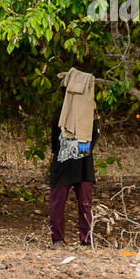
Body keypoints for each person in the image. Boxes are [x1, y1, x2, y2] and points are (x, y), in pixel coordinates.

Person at [49, 68, 99, 246]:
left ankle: (60, 241)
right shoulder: (90, 114)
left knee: (61, 203)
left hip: (65, 165)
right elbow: (93, 138)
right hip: (83, 165)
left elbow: (54, 143)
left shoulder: (59, 113)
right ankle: (85, 241)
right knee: (83, 205)